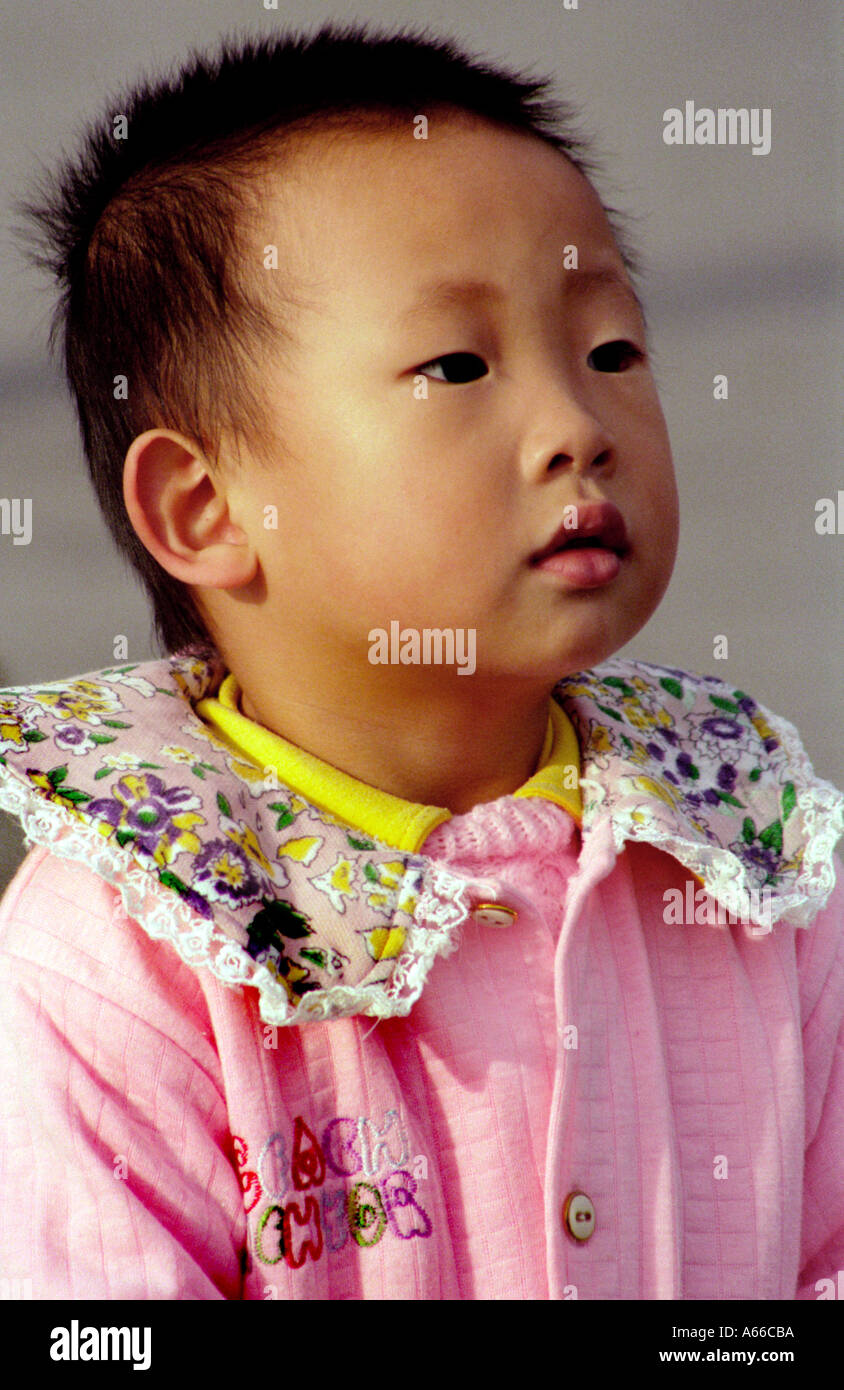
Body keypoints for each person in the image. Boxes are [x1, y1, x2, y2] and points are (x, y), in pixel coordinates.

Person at [0, 23, 841, 1301]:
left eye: (610, 349)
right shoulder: (124, 953)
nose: (576, 428)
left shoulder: (752, 858)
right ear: (208, 510)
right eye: (455, 365)